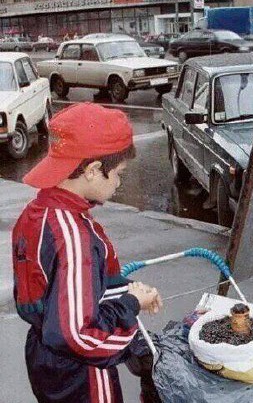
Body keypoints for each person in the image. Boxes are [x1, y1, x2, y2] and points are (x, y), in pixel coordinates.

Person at [11, 102, 163, 403]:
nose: (119, 183)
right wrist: (131, 303)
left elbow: (56, 293)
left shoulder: (38, 212)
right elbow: (77, 335)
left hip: (48, 363)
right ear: (93, 170)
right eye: (118, 173)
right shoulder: (75, 237)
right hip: (83, 375)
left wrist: (122, 290)